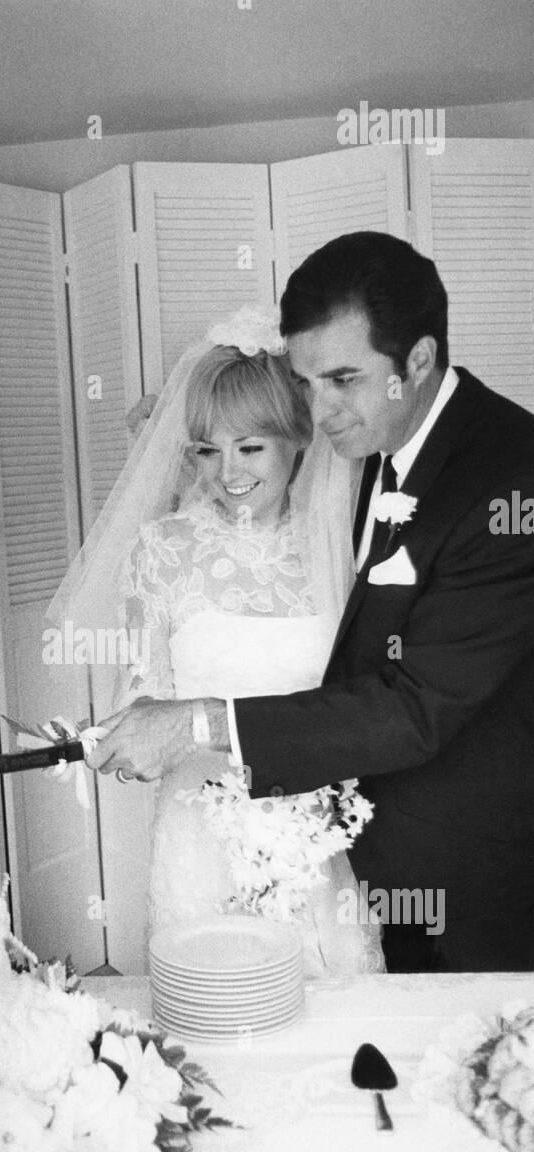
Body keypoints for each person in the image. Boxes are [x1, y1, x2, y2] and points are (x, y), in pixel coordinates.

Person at [86, 232, 534, 973]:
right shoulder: (368, 454)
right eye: (304, 383)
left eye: (342, 379)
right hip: (352, 857)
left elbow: (415, 706)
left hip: (469, 882)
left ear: (416, 362)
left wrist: (199, 723)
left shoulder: (510, 476)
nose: (320, 413)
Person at [49, 306, 384, 976]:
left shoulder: (340, 548)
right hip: (200, 835)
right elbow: (144, 695)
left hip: (312, 831)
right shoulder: (162, 551)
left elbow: (367, 704)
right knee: (213, 1023)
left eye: (250, 448)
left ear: (298, 440)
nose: (227, 473)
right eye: (208, 449)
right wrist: (109, 740)